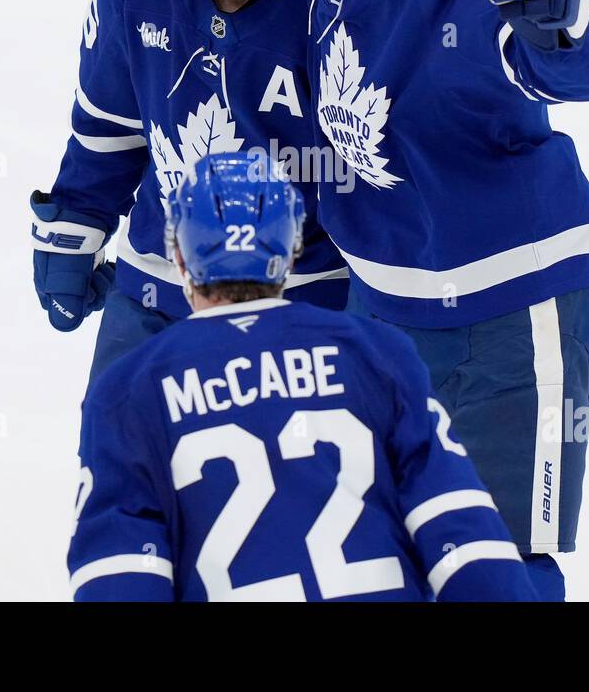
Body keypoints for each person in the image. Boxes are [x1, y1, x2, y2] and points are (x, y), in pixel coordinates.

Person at [290, 0, 589, 600]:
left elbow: (570, 67)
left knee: (499, 568)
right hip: (384, 315)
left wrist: (561, 17)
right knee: (374, 562)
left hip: (512, 318)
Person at [68, 152, 535, 602]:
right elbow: (462, 532)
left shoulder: (126, 391)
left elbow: (120, 570)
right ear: (292, 250)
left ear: (181, 258)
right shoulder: (376, 355)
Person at [30, 0, 347, 382]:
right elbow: (109, 128)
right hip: (158, 292)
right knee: (119, 467)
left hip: (304, 305)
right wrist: (75, 220)